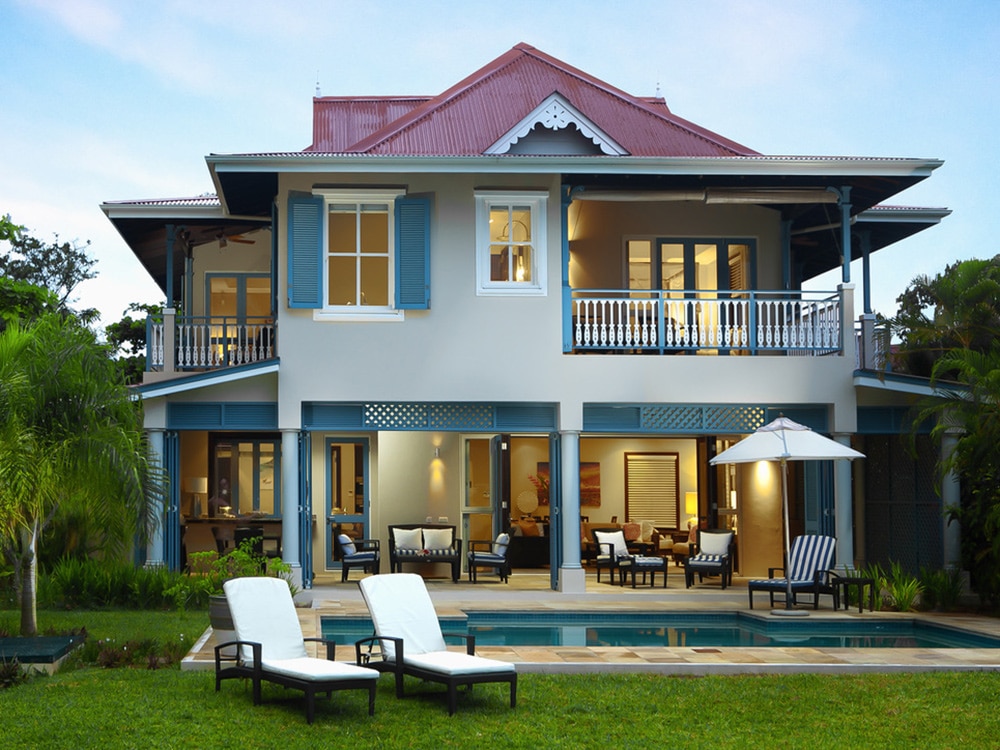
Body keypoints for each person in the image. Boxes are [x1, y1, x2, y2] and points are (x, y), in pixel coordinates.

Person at [208, 478, 234, 555]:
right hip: (221, 531)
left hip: (222, 532)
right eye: (223, 485)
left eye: (226, 485)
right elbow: (236, 517)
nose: (225, 487)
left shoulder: (220, 500)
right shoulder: (217, 501)